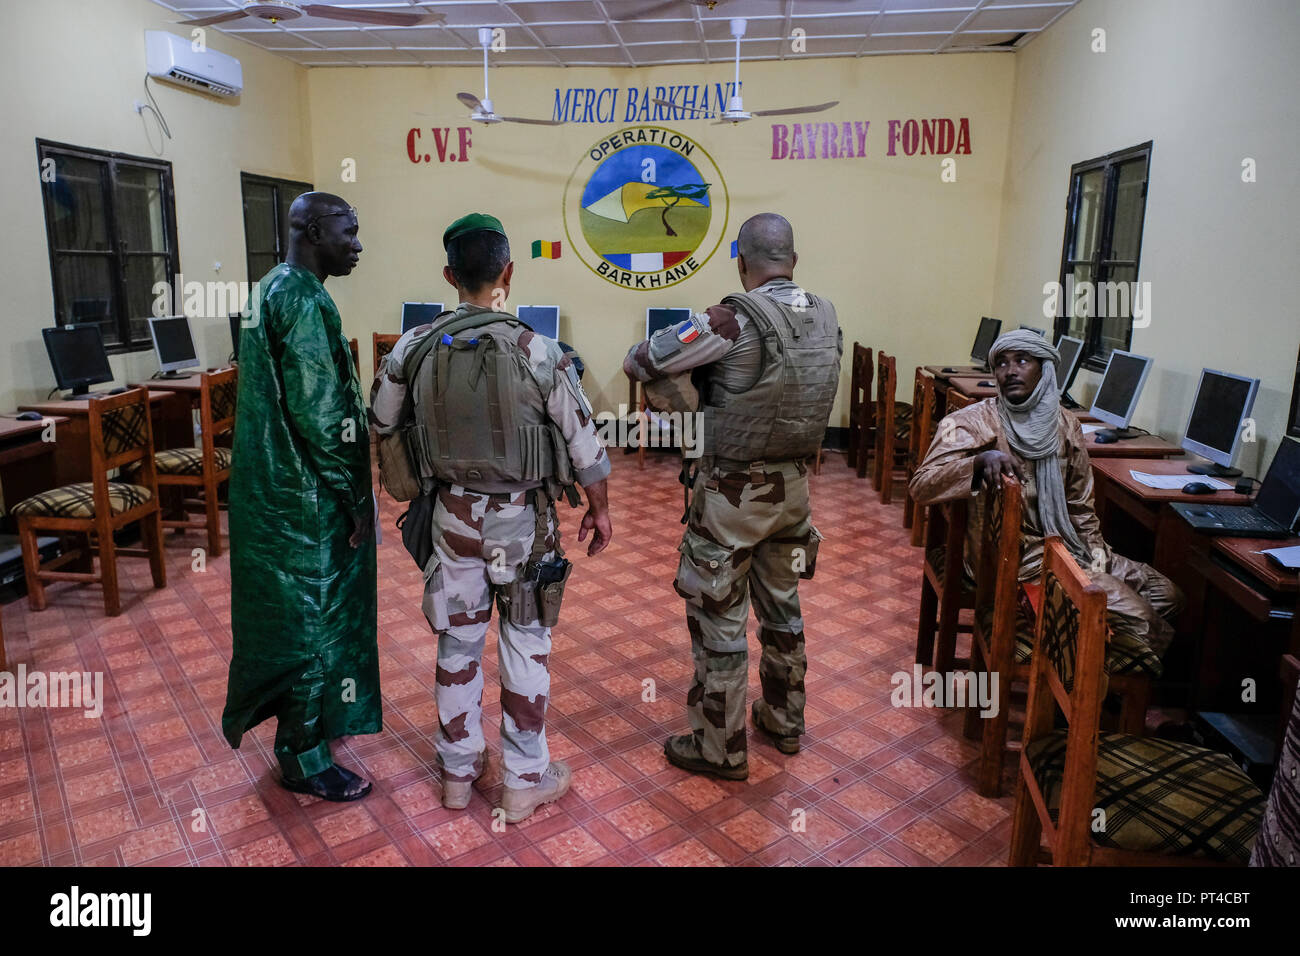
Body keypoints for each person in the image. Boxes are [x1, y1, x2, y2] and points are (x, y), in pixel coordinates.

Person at [371, 213, 612, 823]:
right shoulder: (538, 349)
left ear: (450, 275)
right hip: (519, 524)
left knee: (458, 640)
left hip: (451, 516)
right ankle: (525, 779)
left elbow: (379, 421)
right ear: (507, 272)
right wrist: (600, 511)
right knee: (525, 641)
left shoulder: (413, 346)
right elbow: (585, 444)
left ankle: (457, 771)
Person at [623, 213, 842, 779]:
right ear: (793, 258)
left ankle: (720, 748)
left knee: (719, 616)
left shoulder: (731, 319)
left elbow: (639, 361)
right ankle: (785, 721)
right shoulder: (825, 314)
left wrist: (691, 407)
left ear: (741, 261)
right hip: (793, 491)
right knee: (783, 609)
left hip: (731, 495)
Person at [222, 192, 380, 802]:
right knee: (318, 621)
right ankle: (304, 757)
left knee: (293, 621)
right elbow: (321, 414)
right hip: (307, 499)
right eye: (349, 230)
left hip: (272, 495)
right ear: (314, 231)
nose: (358, 244)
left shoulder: (270, 289)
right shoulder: (305, 301)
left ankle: (307, 728)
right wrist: (356, 495)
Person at [909, 328, 1183, 674]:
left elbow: (1080, 507)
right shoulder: (971, 421)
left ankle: (1084, 661)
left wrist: (1095, 562)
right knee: (1143, 620)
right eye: (1002, 363)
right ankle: (1089, 704)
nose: (1010, 371)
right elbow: (921, 486)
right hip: (1015, 559)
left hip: (1070, 547)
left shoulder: (1066, 425)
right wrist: (977, 463)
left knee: (1168, 595)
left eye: (1022, 361)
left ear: (1045, 370)